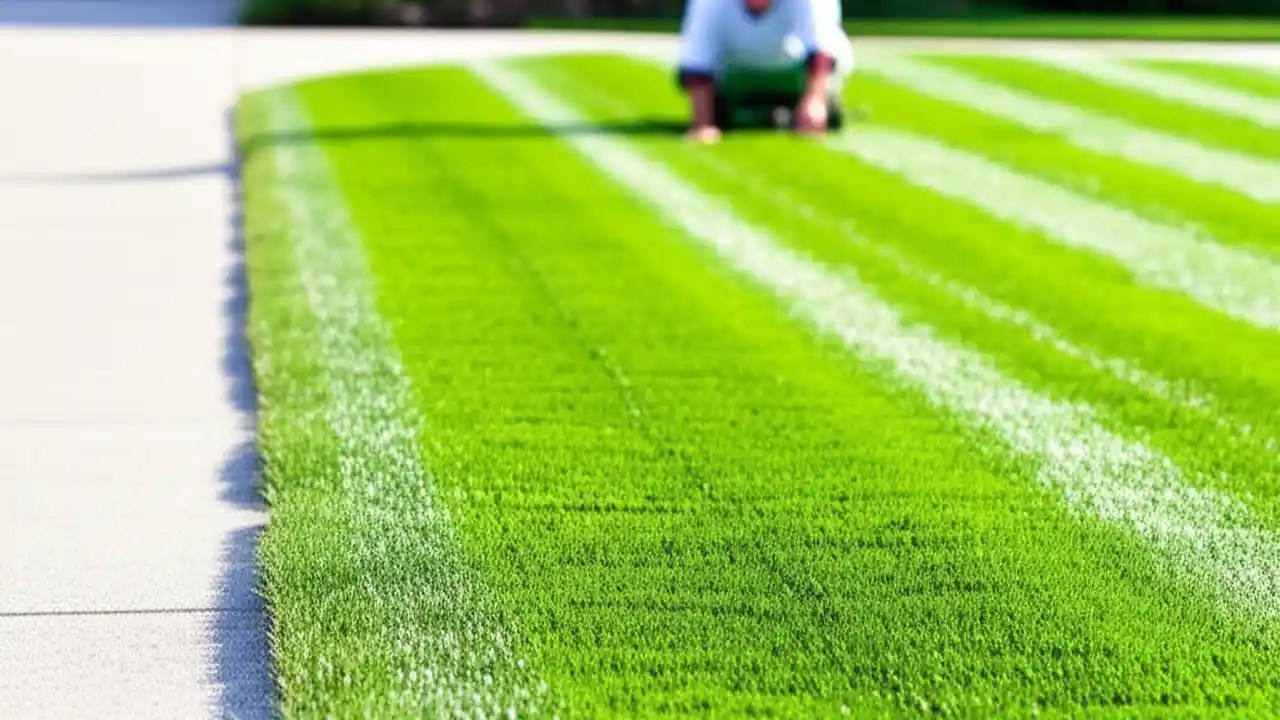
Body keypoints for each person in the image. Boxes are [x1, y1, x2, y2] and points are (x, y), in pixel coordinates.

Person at [675, 0, 855, 142]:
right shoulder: (707, 3)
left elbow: (821, 50)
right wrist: (703, 123)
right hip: (736, 74)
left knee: (827, 108)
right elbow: (697, 64)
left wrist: (815, 102)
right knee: (723, 113)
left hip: (794, 71)